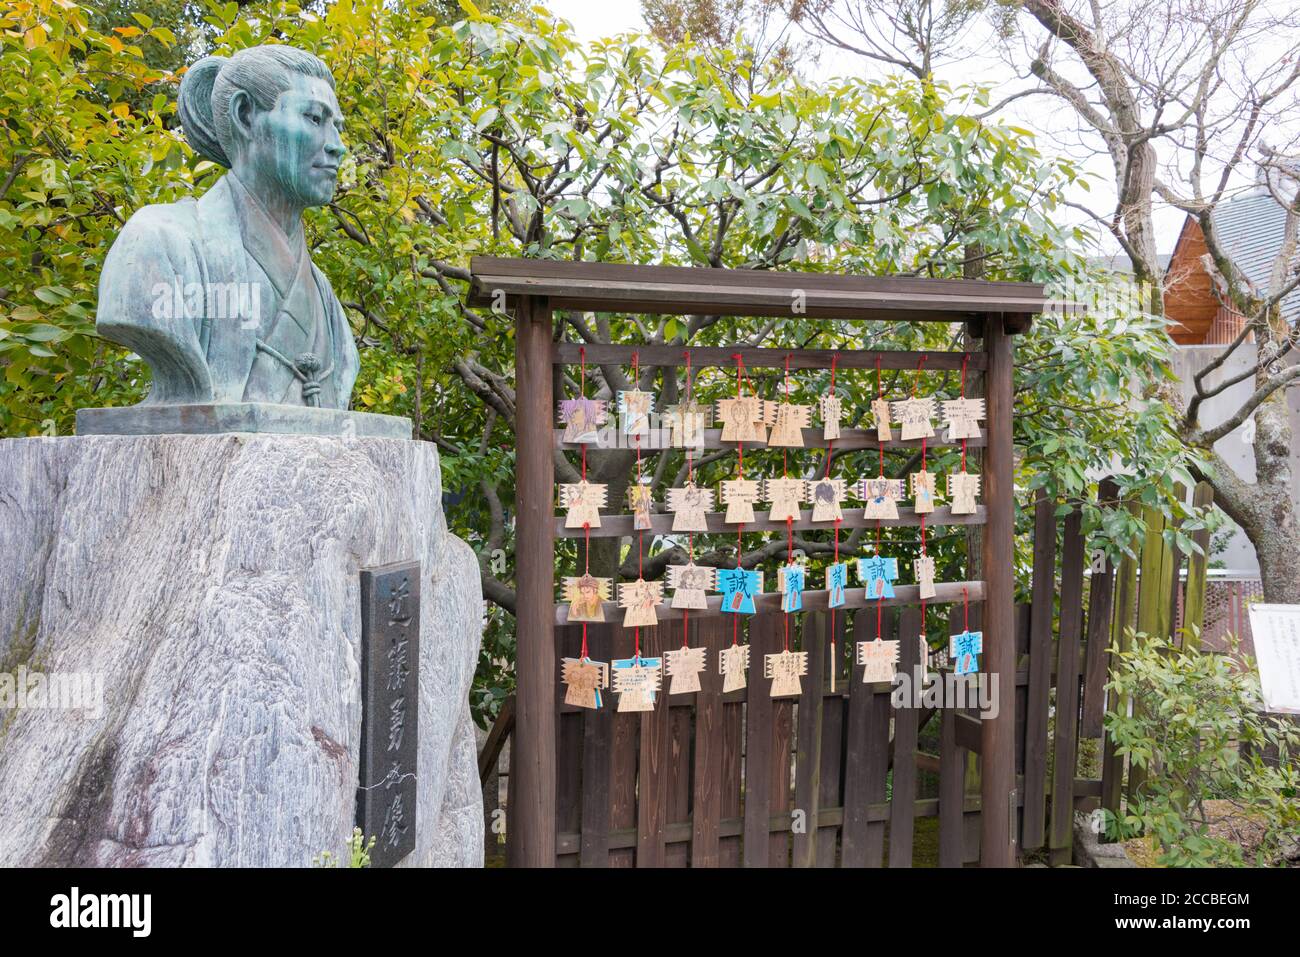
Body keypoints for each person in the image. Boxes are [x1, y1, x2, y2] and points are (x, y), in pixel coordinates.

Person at [97, 46, 359, 408]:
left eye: (337, 128)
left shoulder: (322, 294)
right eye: (315, 119)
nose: (337, 147)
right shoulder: (159, 242)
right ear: (245, 115)